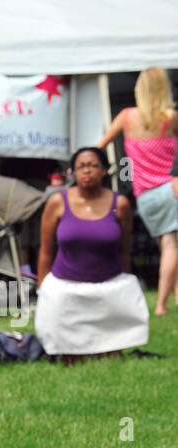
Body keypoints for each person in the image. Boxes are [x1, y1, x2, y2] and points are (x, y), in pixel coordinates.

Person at [35, 146, 148, 362]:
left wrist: (125, 285)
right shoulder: (57, 202)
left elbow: (124, 251)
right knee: (70, 358)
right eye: (81, 166)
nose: (87, 171)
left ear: (104, 170)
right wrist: (43, 289)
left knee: (110, 357)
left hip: (109, 288)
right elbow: (45, 252)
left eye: (93, 166)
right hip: (66, 288)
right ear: (73, 172)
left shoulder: (120, 204)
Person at [97, 67, 178, 316]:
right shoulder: (171, 117)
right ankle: (162, 305)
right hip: (171, 188)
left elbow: (99, 148)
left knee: (168, 248)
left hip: (144, 195)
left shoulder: (126, 117)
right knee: (171, 247)